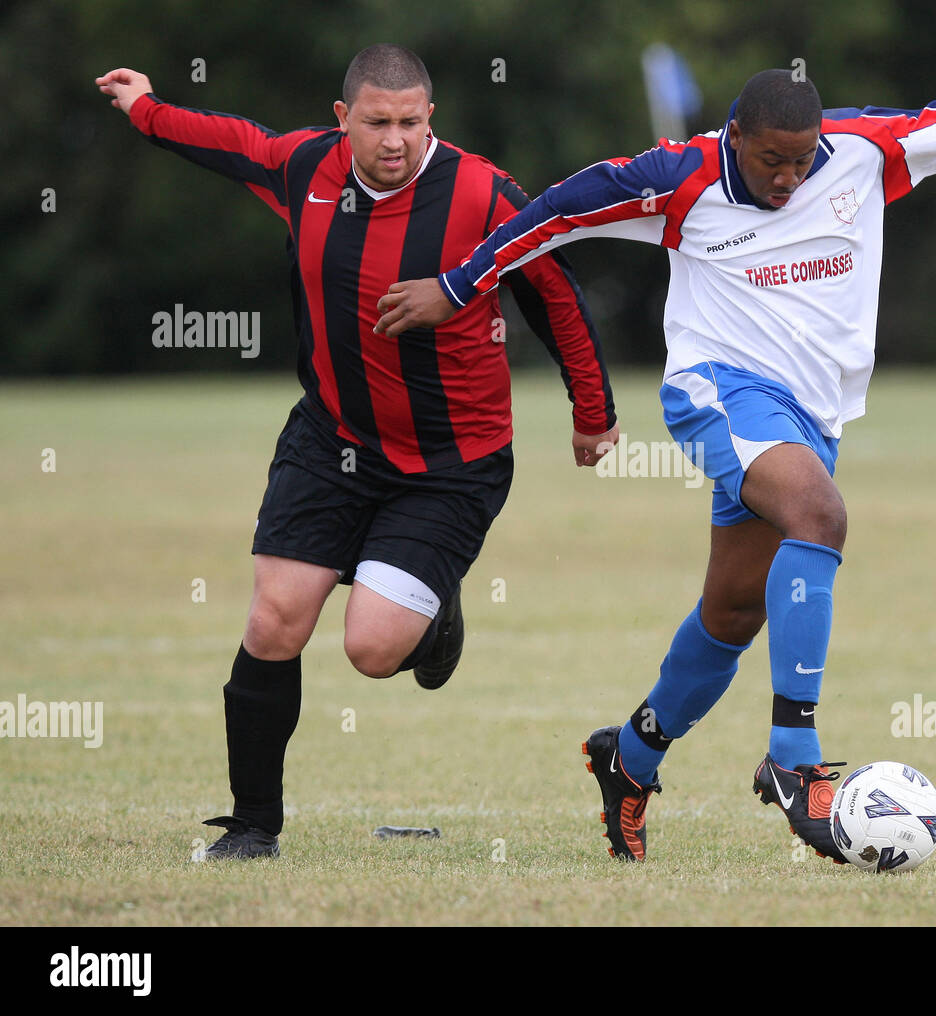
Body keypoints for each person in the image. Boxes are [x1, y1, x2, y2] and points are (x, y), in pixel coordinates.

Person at [373, 69, 936, 862]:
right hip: (717, 392)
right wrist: (458, 284)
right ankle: (794, 761)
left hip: (812, 416)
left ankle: (629, 758)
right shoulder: (677, 179)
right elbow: (555, 212)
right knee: (821, 516)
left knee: (732, 615)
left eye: (801, 160)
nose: (789, 177)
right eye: (771, 162)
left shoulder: (859, 152)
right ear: (735, 138)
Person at [95, 44, 618, 861]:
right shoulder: (305, 168)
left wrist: (594, 411)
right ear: (344, 121)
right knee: (274, 620)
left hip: (452, 463)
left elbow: (555, 292)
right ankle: (253, 825)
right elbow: (226, 140)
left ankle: (428, 608)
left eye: (411, 122)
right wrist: (145, 108)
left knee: (372, 649)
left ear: (430, 118)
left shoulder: (482, 193)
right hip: (331, 438)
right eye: (378, 122)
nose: (396, 140)